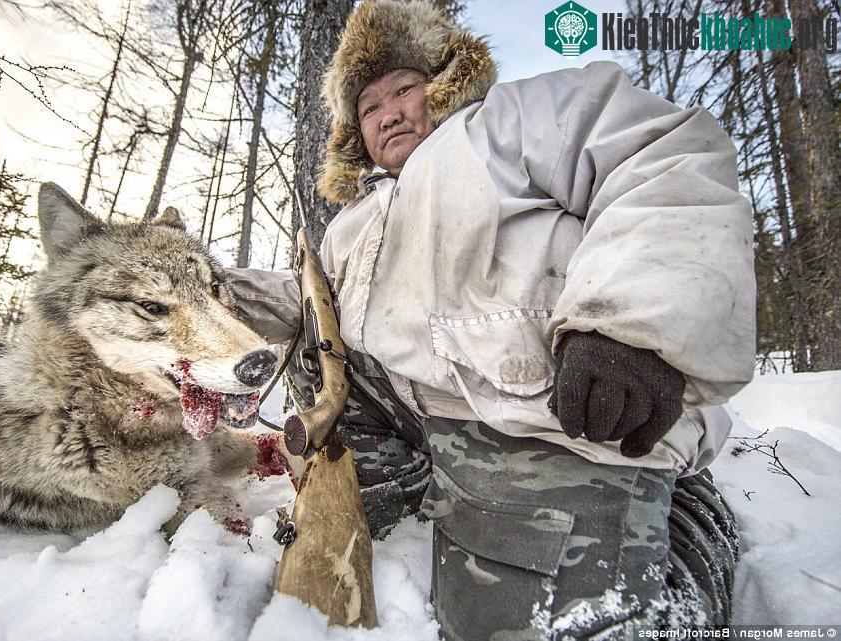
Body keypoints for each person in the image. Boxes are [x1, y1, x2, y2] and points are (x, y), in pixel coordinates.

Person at [225, 1, 754, 638]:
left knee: (520, 629)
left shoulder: (511, 120)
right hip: (424, 417)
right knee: (321, 349)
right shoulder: (353, 222)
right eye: (368, 107)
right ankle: (405, 493)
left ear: (444, 83)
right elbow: (315, 304)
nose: (389, 111)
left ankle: (684, 514)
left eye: (404, 88)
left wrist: (627, 326)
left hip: (556, 413)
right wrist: (205, 289)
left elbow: (665, 157)